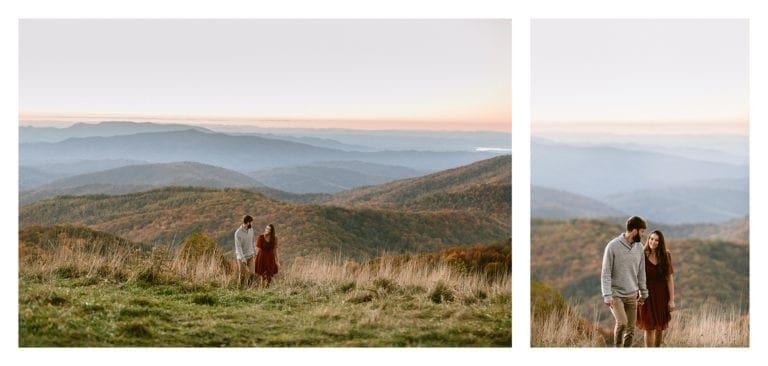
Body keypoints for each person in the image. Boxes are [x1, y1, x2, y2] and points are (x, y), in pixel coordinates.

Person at [601, 215, 649, 347]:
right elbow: (605, 273)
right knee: (622, 323)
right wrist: (607, 295)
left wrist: (643, 293)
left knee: (631, 329)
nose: (643, 235)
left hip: (632, 295)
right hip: (615, 295)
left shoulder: (639, 248)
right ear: (634, 231)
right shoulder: (612, 246)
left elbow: (641, 272)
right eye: (642, 231)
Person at [636, 230, 676, 347]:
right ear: (648, 239)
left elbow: (669, 279)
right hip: (646, 295)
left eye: (656, 240)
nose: (653, 242)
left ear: (660, 242)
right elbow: (635, 276)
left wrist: (671, 300)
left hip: (661, 295)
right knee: (648, 328)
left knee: (659, 328)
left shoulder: (666, 255)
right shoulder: (642, 255)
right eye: (651, 239)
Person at [234, 215, 256, 287]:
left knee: (252, 274)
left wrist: (254, 253)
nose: (251, 224)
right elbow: (238, 247)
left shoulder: (251, 230)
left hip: (250, 256)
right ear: (247, 222)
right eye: (250, 222)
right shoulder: (238, 233)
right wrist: (243, 259)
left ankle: (249, 289)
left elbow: (252, 242)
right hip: (241, 257)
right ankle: (240, 289)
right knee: (242, 275)